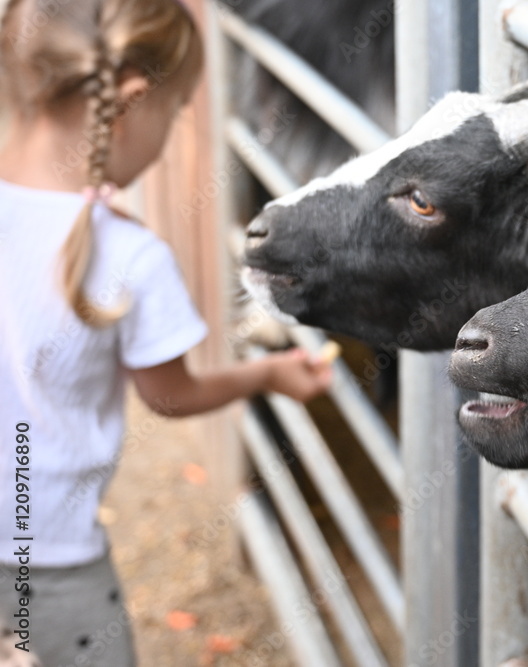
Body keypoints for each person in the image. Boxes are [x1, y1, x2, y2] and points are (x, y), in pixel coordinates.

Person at [0, 1, 331, 664]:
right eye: (178, 110)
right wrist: (268, 373)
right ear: (132, 103)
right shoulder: (129, 256)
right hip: (52, 564)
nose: (176, 127)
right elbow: (170, 395)